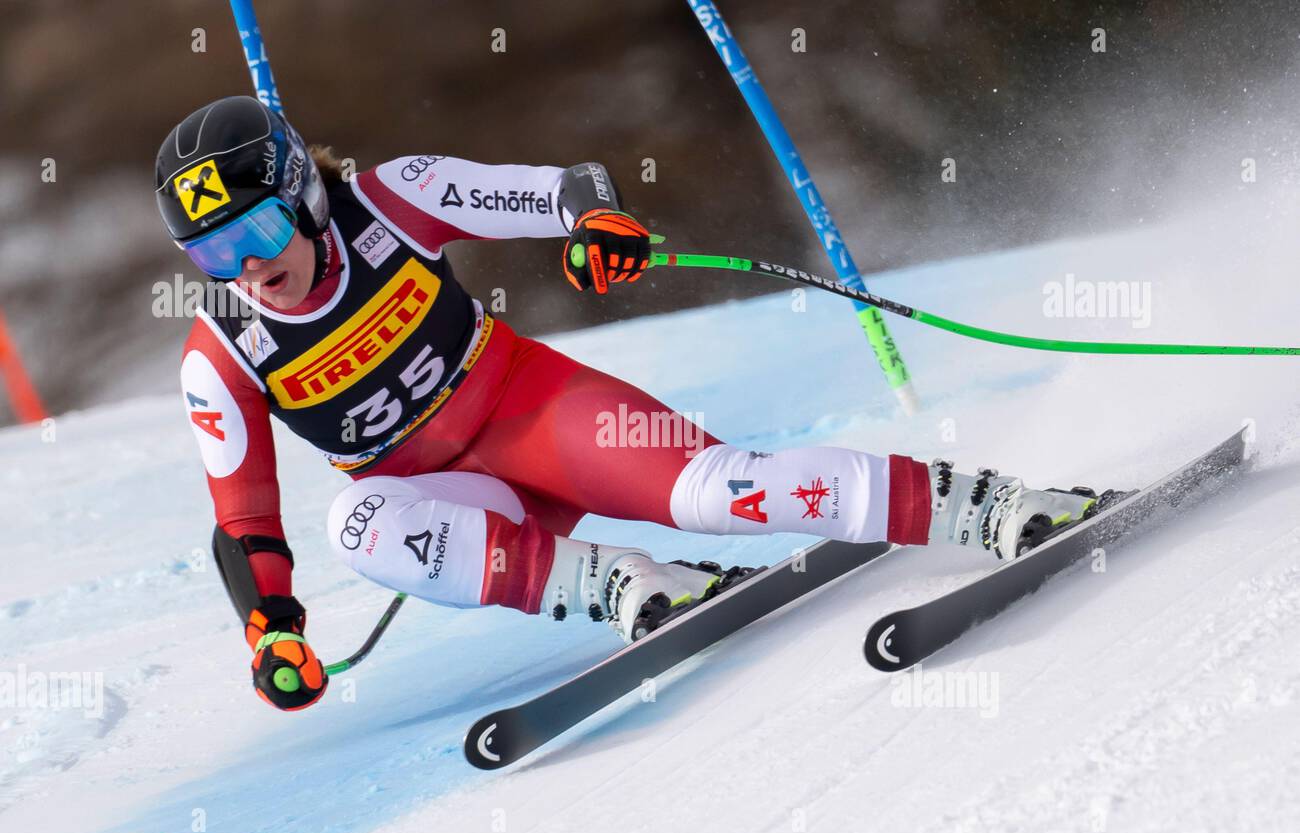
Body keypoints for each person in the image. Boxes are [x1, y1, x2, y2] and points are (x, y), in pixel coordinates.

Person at [156, 96, 1103, 712]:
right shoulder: (224, 352)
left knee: (722, 492)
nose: (250, 268)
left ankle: (985, 505)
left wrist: (599, 225)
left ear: (304, 198)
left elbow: (560, 192)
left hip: (536, 415)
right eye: (212, 254)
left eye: (261, 228)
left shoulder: (389, 202)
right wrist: (272, 626)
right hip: (467, 506)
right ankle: (622, 583)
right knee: (357, 525)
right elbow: (242, 516)